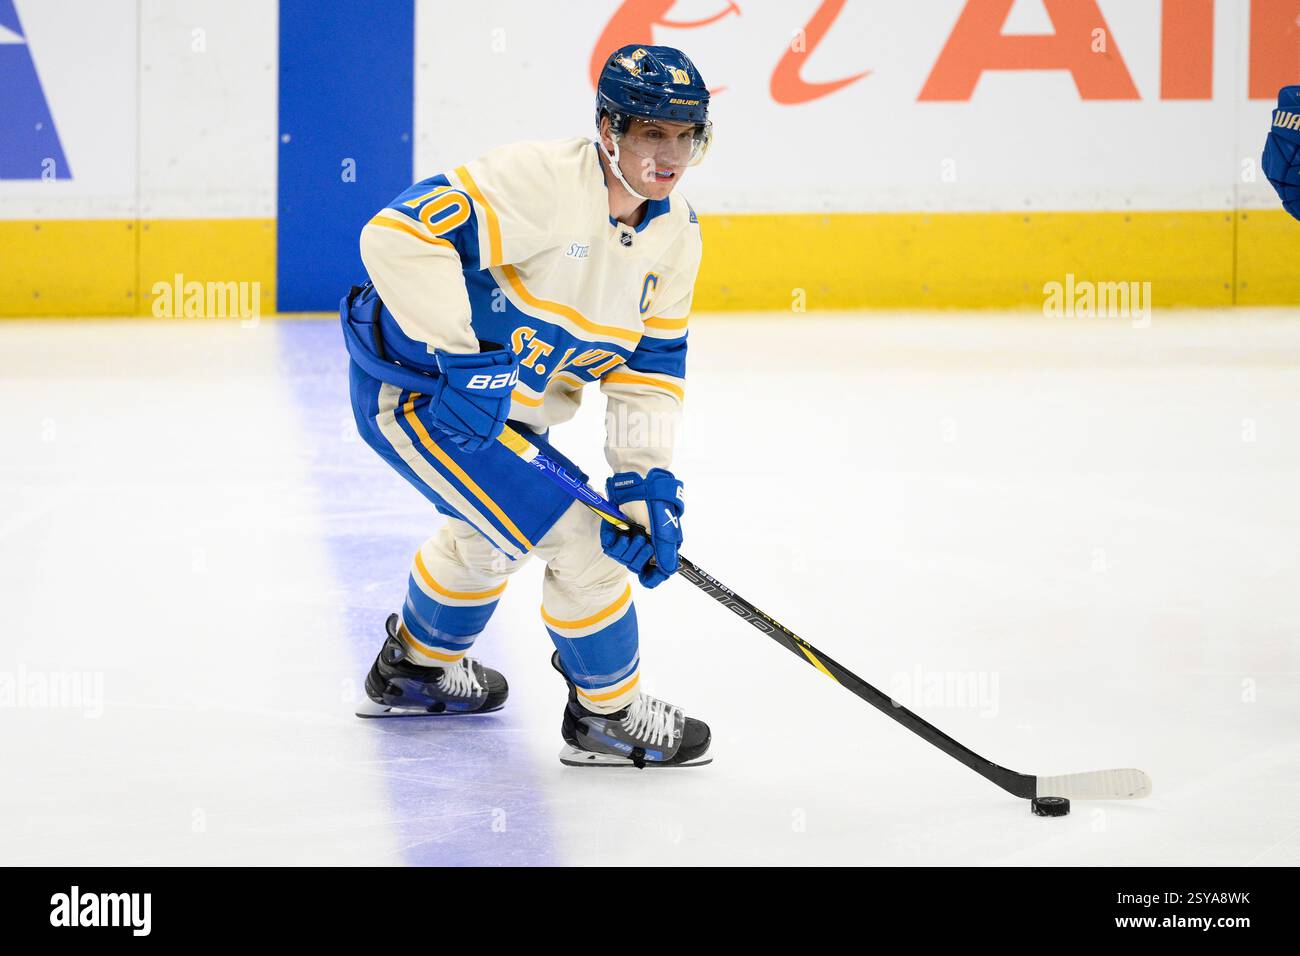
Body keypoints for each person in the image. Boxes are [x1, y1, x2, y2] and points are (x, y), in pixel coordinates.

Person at [339, 44, 712, 767]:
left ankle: (414, 674)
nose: (671, 154)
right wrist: (461, 357)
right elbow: (397, 233)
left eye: (685, 134)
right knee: (586, 547)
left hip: (510, 409)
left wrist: (643, 483)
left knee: (489, 538)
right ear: (610, 129)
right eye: (651, 133)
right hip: (424, 395)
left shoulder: (677, 236)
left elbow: (650, 368)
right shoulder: (543, 181)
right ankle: (609, 719)